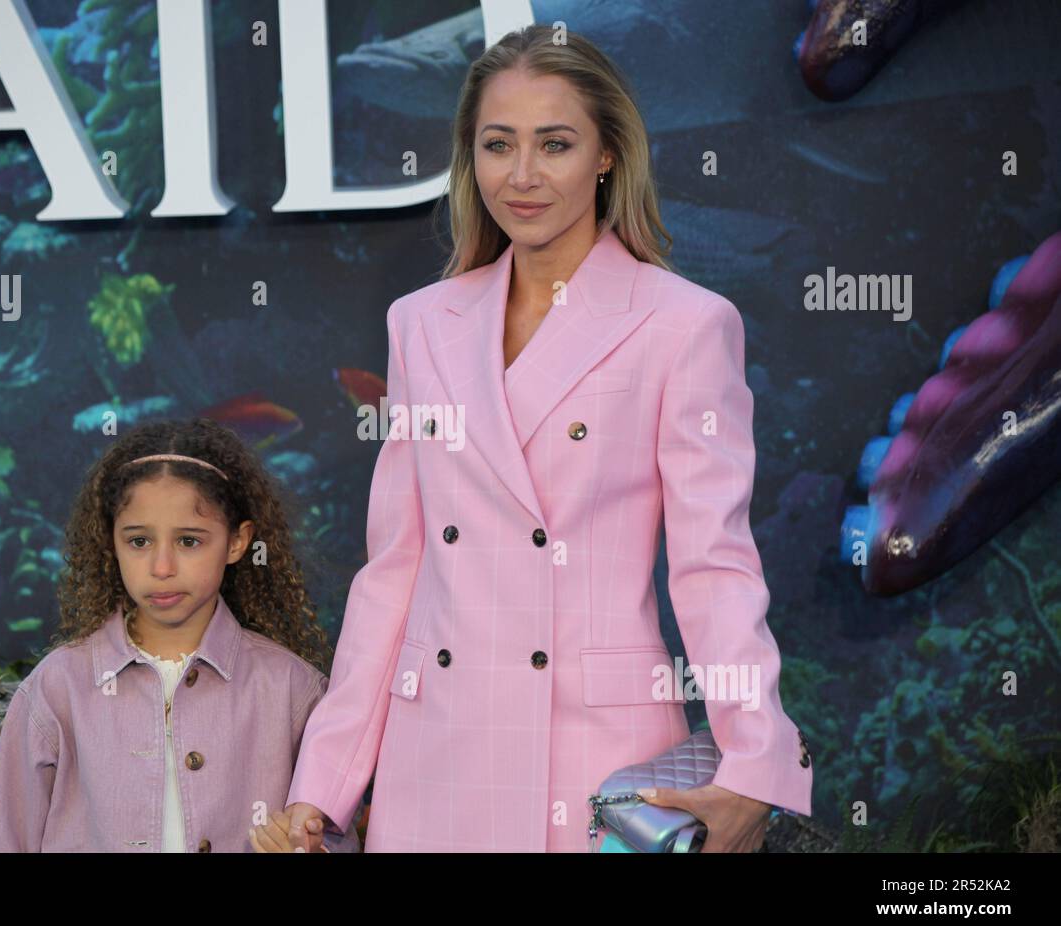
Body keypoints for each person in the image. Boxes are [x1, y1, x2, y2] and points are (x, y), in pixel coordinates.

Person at [266, 25, 813, 853]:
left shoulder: (686, 325)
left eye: (554, 144)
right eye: (497, 145)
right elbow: (394, 575)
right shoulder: (420, 323)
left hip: (599, 758)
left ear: (606, 156)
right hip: (433, 756)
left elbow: (714, 568)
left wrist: (752, 762)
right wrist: (324, 783)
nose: (521, 176)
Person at [0, 417, 359, 852]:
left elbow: (337, 839)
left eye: (189, 542)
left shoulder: (294, 690)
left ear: (237, 541)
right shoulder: (55, 688)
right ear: (111, 541)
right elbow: (4, 841)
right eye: (139, 542)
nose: (161, 568)